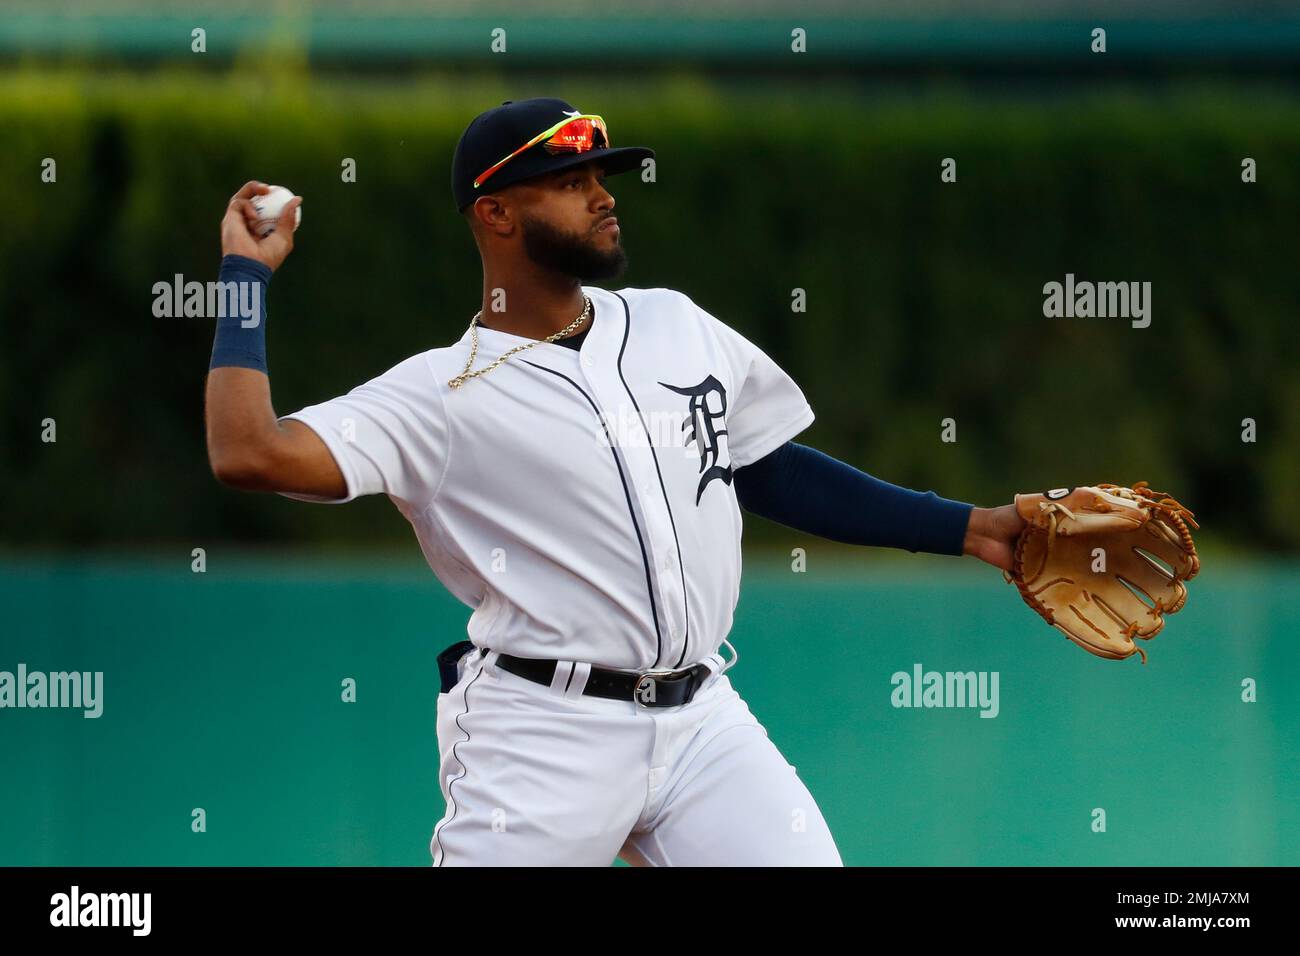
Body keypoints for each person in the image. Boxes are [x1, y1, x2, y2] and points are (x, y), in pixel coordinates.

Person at [205, 97, 1025, 866]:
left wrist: (974, 527)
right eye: (570, 184)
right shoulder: (436, 395)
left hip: (705, 722)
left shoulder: (673, 322)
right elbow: (251, 453)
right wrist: (246, 278)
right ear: (495, 213)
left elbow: (766, 469)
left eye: (601, 179)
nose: (602, 198)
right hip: (540, 734)